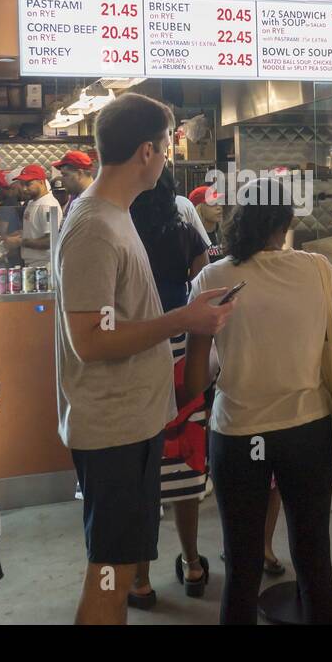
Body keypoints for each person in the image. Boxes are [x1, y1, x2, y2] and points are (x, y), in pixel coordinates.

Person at [55, 92, 234, 625]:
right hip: (112, 430)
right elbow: (90, 339)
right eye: (165, 147)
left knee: (118, 564)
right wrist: (185, 320)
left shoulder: (116, 214)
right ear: (145, 152)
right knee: (108, 576)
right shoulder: (92, 227)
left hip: (132, 423)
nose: (167, 157)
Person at [184, 176, 332, 624]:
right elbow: (324, 344)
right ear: (288, 219)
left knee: (242, 564)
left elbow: (195, 382)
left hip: (237, 432)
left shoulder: (213, 278)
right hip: (308, 429)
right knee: (315, 559)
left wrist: (217, 356)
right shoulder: (319, 270)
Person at [126, 165, 210, 609]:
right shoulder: (184, 226)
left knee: (143, 469)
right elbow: (203, 284)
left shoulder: (117, 227)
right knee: (184, 459)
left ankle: (139, 578)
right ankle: (193, 564)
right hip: (180, 352)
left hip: (134, 351)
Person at [7, 163, 60, 267]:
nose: (24, 189)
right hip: (32, 264)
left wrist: (20, 242)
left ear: (41, 182)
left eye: (28, 184)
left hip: (45, 265)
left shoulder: (48, 205)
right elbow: (37, 230)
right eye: (22, 184)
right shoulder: (33, 202)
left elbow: (50, 240)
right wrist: (22, 233)